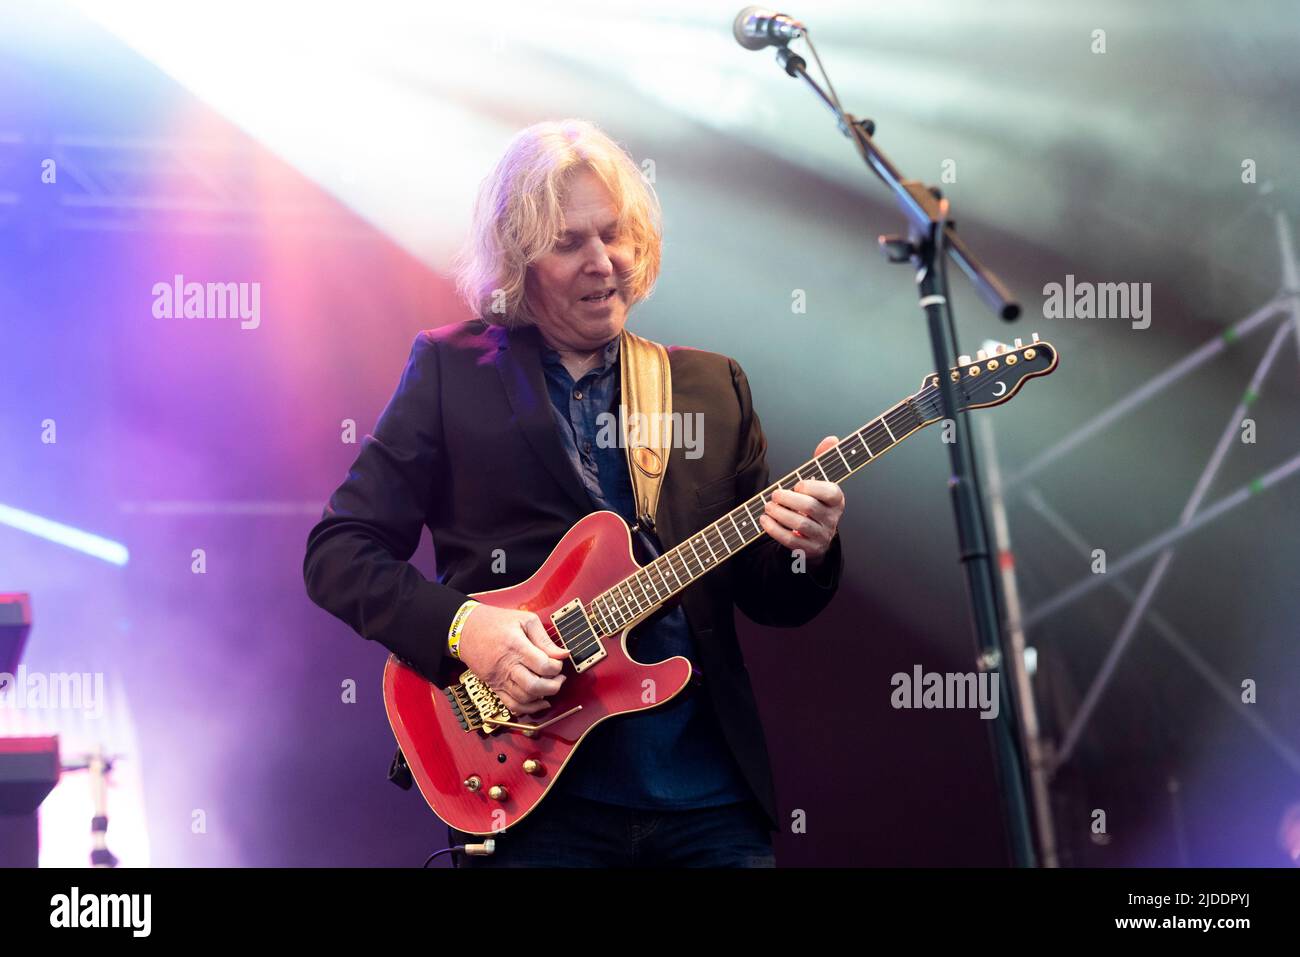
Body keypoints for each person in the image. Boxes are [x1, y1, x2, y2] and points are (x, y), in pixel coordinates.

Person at [304, 119, 846, 867]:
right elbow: (338, 552)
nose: (603, 263)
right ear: (519, 260)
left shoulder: (709, 385)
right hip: (532, 798)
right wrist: (467, 630)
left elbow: (772, 598)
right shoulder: (449, 372)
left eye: (614, 235)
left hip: (707, 798)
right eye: (568, 244)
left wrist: (806, 550)